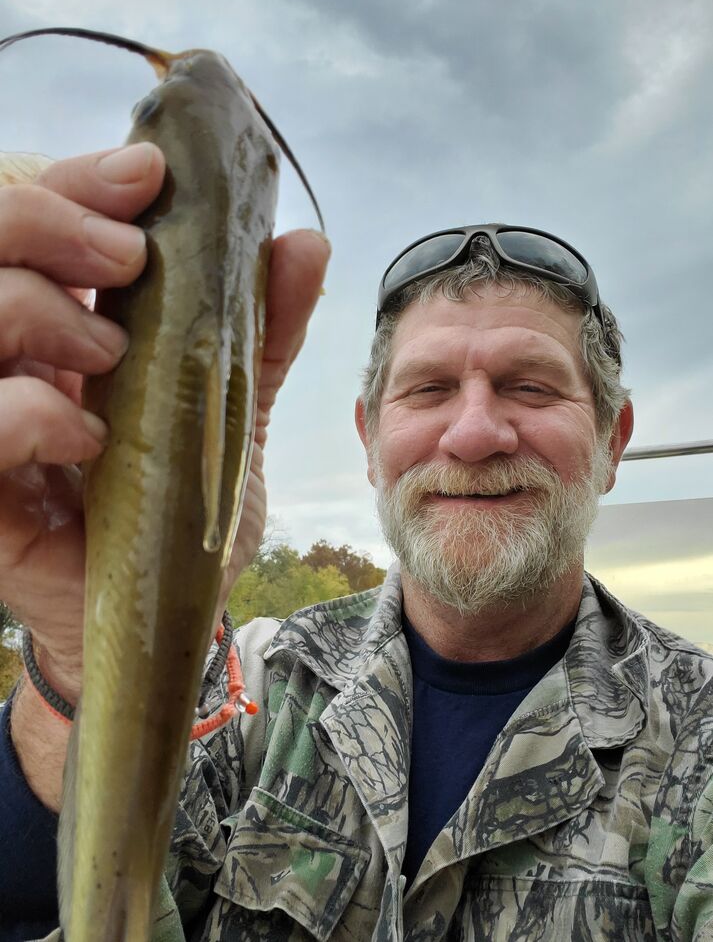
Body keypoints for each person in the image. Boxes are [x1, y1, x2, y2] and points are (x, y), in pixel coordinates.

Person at [0, 143, 711, 942]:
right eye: (429, 389)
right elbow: (36, 907)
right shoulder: (248, 695)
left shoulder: (697, 730)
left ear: (612, 442)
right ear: (369, 440)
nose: (473, 433)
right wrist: (87, 643)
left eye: (530, 386)